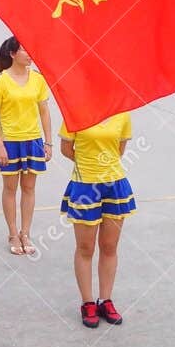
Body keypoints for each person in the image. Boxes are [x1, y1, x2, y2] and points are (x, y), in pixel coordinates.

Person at [59, 112, 135, 328]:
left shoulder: (122, 113)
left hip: (115, 184)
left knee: (110, 246)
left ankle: (105, 299)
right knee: (85, 247)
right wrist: (88, 163)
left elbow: (119, 150)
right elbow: (66, 148)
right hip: (85, 186)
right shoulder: (75, 110)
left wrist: (104, 165)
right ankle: (87, 302)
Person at [0, 36, 53, 256]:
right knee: (10, 188)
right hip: (10, 141)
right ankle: (13, 233)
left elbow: (44, 111)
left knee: (29, 188)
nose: (30, 54)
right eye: (25, 50)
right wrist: (0, 144)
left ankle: (26, 232)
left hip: (32, 140)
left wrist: (48, 141)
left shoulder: (38, 80)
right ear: (13, 54)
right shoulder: (1, 81)